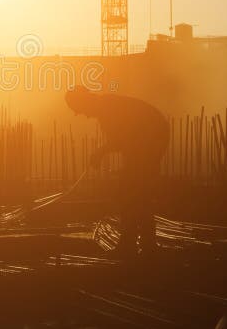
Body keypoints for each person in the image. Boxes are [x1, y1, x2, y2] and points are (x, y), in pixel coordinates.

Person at [65, 86, 168, 257]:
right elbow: (125, 141)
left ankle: (133, 244)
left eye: (80, 110)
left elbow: (122, 140)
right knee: (135, 192)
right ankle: (143, 244)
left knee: (132, 193)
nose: (84, 115)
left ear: (84, 102)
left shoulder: (108, 109)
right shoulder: (106, 106)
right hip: (151, 137)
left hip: (152, 138)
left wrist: (100, 152)